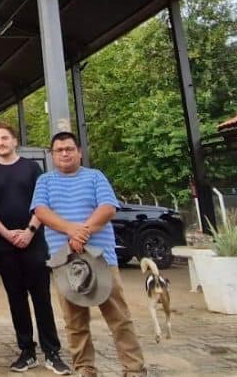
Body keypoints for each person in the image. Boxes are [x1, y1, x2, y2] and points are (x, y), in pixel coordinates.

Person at [31, 132, 146, 377]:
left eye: (69, 149)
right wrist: (71, 230)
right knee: (75, 322)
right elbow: (41, 211)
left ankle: (134, 369)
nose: (64, 153)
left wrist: (82, 232)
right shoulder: (45, 181)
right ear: (52, 155)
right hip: (65, 261)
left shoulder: (95, 177)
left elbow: (107, 207)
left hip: (101, 259)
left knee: (119, 318)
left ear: (79, 152)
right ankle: (84, 369)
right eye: (59, 150)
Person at [0, 123, 70, 375]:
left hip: (34, 242)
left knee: (42, 298)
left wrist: (29, 231)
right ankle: (26, 351)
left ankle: (52, 352)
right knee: (16, 299)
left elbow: (42, 203)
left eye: (4, 138)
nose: (0, 142)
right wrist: (6, 233)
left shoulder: (32, 168)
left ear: (14, 140)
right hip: (5, 246)